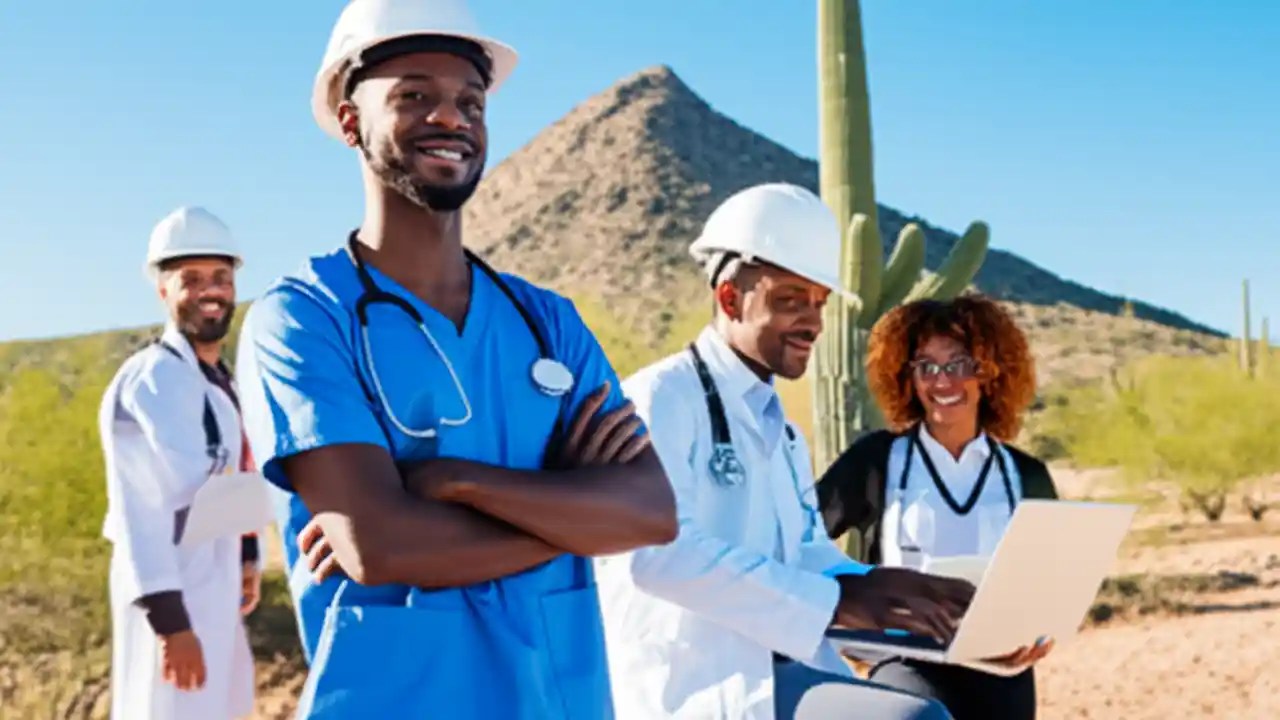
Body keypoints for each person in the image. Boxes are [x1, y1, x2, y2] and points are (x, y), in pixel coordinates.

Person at [232, 1, 677, 717]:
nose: (451, 118)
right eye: (413, 95)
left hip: (560, 701)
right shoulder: (306, 319)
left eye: (470, 101)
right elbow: (381, 544)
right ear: (350, 121)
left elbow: (651, 512)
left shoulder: (546, 321)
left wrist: (453, 479)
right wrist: (571, 514)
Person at [594, 182, 976, 720]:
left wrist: (910, 602)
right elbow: (653, 554)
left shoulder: (783, 431)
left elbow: (807, 556)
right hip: (698, 686)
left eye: (820, 303)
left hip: (785, 673)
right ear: (730, 298)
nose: (814, 324)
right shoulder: (659, 399)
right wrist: (840, 600)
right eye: (791, 301)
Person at [815, 294, 1060, 720]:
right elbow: (799, 539)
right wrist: (847, 626)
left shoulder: (1027, 474)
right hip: (907, 666)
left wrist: (1042, 631)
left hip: (1003, 670)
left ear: (990, 373)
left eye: (959, 364)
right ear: (907, 378)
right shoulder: (876, 460)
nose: (942, 381)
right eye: (926, 366)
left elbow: (1049, 580)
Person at [98, 206, 260, 720]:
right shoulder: (154, 379)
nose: (210, 291)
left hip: (217, 595)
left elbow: (225, 482)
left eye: (221, 278)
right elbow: (140, 511)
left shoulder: (218, 383)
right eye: (190, 279)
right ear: (163, 290)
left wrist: (247, 555)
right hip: (173, 603)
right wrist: (172, 626)